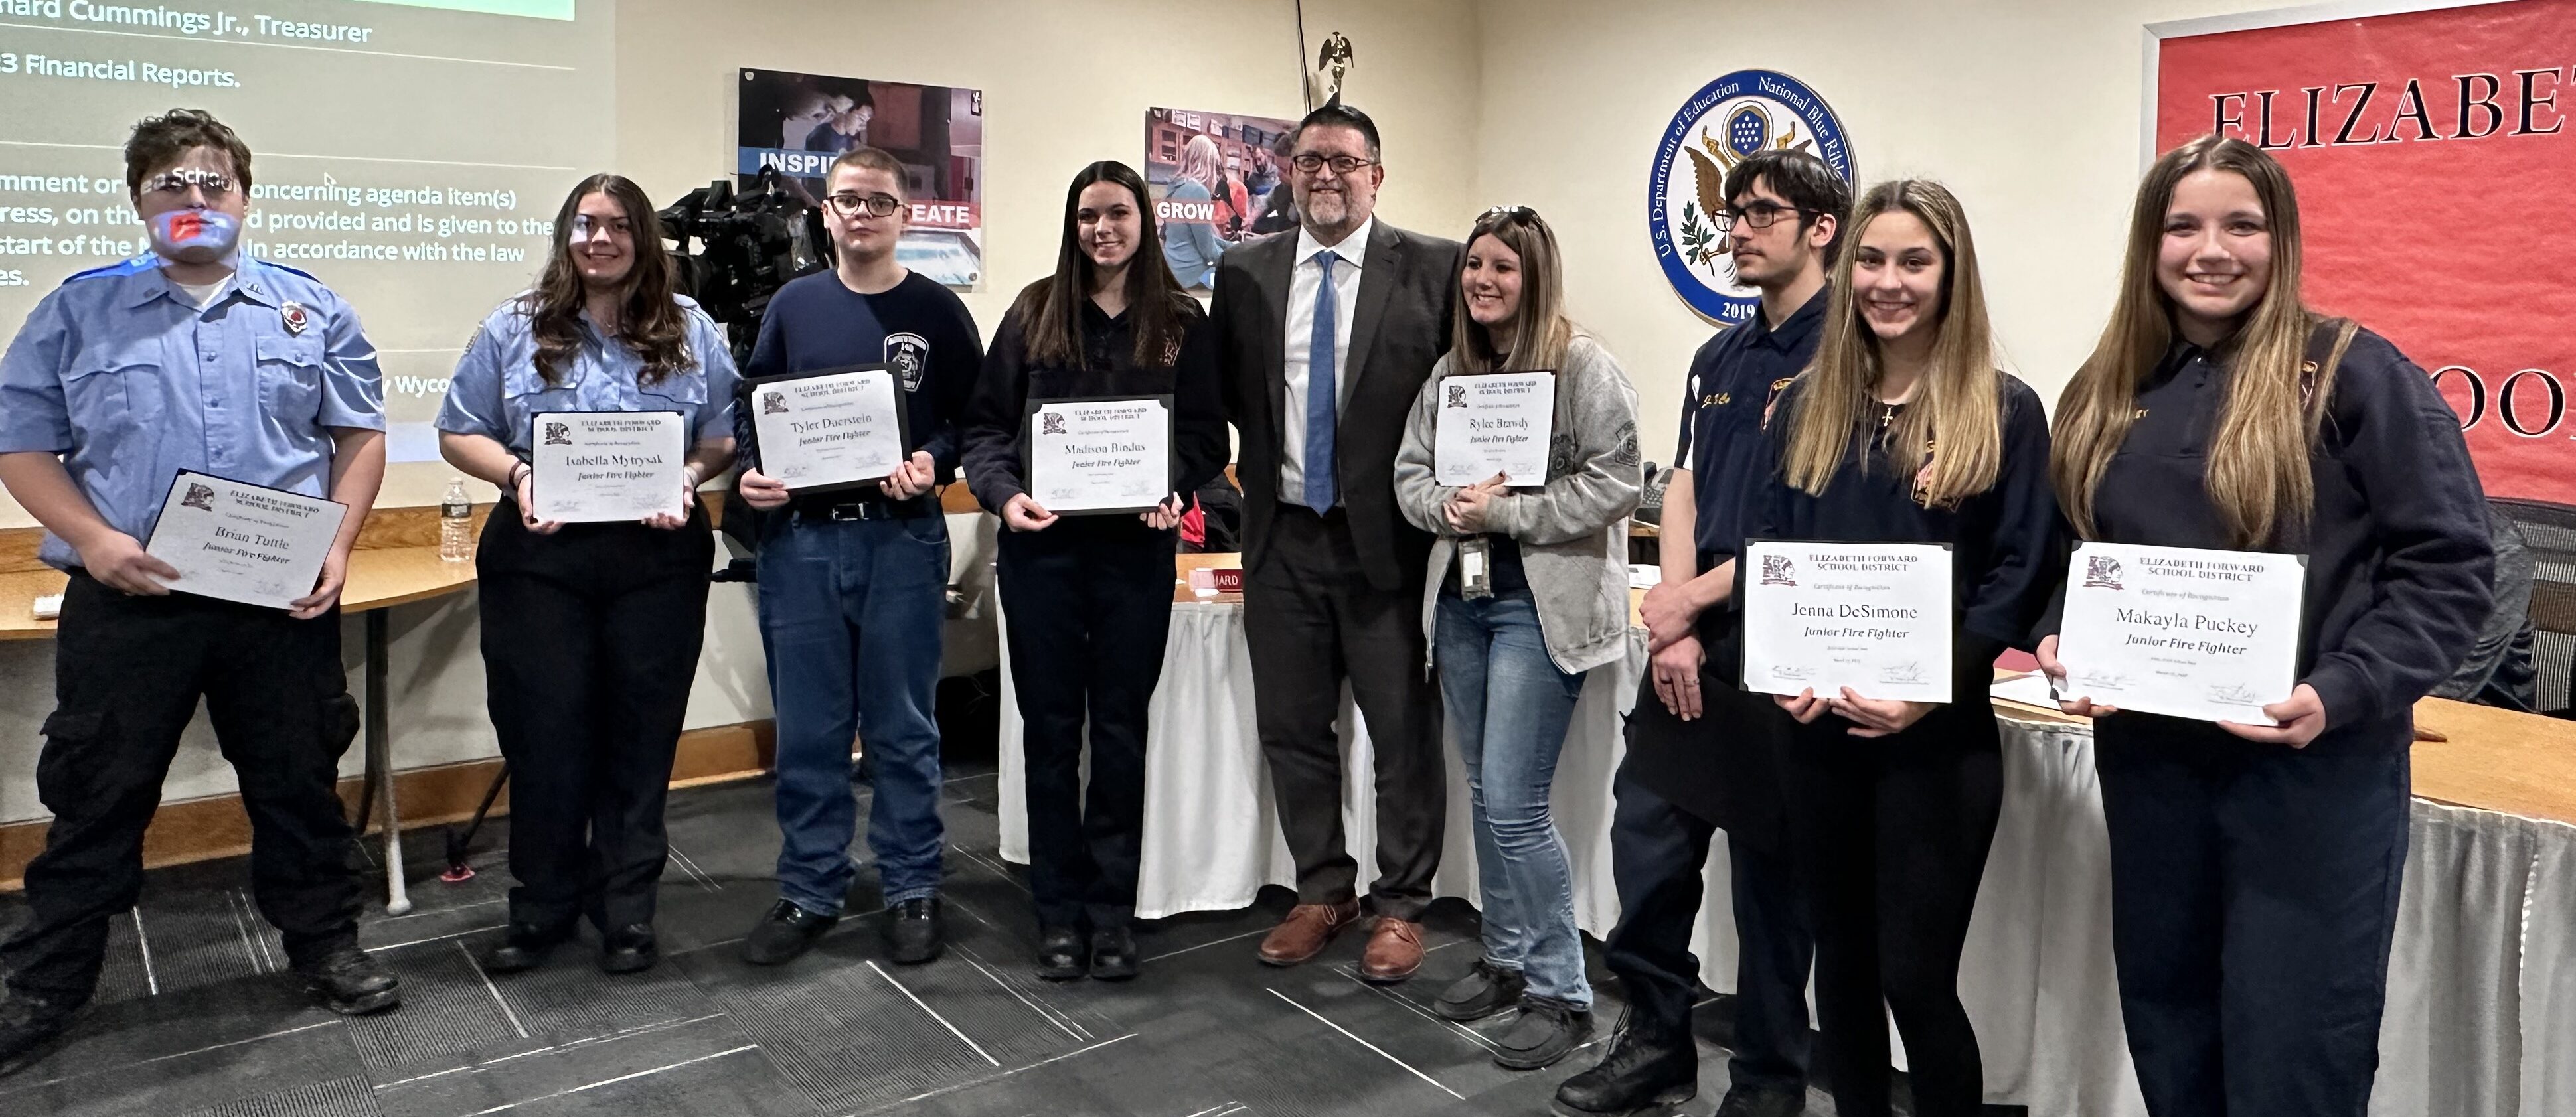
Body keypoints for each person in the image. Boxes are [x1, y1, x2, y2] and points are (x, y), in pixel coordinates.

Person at [2038, 136, 2494, 1117]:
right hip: (2152, 769)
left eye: (2241, 224)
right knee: (2171, 1027)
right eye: (2184, 225)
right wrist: (2057, 637)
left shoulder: (2356, 373)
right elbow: (2073, 555)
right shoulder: (2110, 387)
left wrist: (2342, 690)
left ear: (2279, 238)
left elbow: (2453, 568)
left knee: (2295, 1051)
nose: (2213, 249)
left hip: (2311, 781)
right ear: (2148, 243)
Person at [0, 108, 400, 1073]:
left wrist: (340, 546)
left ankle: (326, 946)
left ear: (244, 196)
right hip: (134, 597)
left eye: (212, 181)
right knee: (97, 793)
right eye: (170, 184)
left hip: (278, 597)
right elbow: (21, 443)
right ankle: (46, 984)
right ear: (138, 199)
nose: (193, 199)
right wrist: (93, 538)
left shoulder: (310, 308)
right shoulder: (77, 310)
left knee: (299, 781)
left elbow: (359, 436)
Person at [1555, 149, 1847, 1117]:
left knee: (1774, 887)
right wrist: (1676, 613)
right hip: (1694, 650)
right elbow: (1678, 483)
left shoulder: (1853, 351)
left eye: (1764, 211)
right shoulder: (1718, 355)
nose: (1739, 228)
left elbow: (1822, 526)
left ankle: (1768, 1077)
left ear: (1822, 228)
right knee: (1647, 849)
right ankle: (1656, 1040)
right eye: (1733, 212)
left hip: (1788, 645)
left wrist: (1695, 601)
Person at [1761, 179, 2059, 1117]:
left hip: (1938, 741)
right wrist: (1785, 676)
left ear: (1952, 273)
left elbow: (2019, 571)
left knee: (1915, 979)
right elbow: (1776, 550)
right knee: (1840, 974)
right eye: (1873, 260)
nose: (1890, 282)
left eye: (1915, 261)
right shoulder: (1807, 404)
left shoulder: (2004, 410)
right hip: (1818, 733)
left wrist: (1932, 690)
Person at [436, 174, 738, 976]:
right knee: (544, 738)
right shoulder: (514, 326)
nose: (598, 240)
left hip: (657, 556)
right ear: (565, 234)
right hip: (541, 558)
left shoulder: (690, 329)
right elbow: (458, 431)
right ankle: (540, 907)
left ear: (643, 237)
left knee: (640, 740)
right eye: (584, 224)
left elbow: (721, 436)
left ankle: (627, 911)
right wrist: (517, 477)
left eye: (616, 226)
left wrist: (688, 476)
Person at [1211, 102, 1463, 983]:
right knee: (1293, 729)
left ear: (1376, 174)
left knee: (1401, 736)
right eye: (1310, 159)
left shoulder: (1434, 268)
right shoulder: (1242, 270)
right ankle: (1322, 888)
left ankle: (1401, 903)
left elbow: (1465, 400)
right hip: (1281, 539)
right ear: (1289, 170)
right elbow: (1226, 399)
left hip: (1385, 548)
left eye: (1344, 162)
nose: (1326, 175)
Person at [962, 161, 1226, 982]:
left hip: (1134, 559)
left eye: (1117, 214)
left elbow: (1208, 437)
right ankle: (1057, 913)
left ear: (1145, 222)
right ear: (1071, 224)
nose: (1101, 229)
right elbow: (984, 430)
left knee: (1118, 733)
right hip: (1042, 554)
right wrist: (1004, 499)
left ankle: (1110, 910)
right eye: (1086, 216)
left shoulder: (1180, 321)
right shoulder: (1035, 313)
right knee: (1049, 734)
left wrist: (1174, 488)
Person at [1391, 206, 1639, 1069]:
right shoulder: (1451, 373)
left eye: (1503, 268)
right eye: (1474, 267)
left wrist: (1508, 512)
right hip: (1462, 599)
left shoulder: (1581, 363)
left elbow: (1617, 480)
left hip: (1541, 605)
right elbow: (1410, 475)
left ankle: (1560, 988)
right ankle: (1503, 955)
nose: (1484, 281)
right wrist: (1449, 508)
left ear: (1535, 278)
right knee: (1484, 788)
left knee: (1514, 799)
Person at [732, 146, 983, 967]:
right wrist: (754, 473)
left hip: (899, 537)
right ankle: (810, 888)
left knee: (904, 727)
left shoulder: (939, 312)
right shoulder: (793, 307)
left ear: (905, 215)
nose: (863, 215)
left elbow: (971, 423)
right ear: (827, 213)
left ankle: (912, 885)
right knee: (810, 728)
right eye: (849, 202)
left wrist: (934, 463)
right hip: (800, 544)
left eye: (880, 202)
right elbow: (755, 407)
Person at [1161, 135, 1232, 289]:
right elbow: (1209, 252)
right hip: (1194, 276)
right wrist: (1239, 257)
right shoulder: (1198, 192)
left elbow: (1200, 237)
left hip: (1174, 271)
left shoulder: (1175, 187)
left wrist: (1232, 246)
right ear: (1209, 162)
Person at [804, 87, 875, 155]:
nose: (864, 127)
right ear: (846, 109)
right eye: (861, 119)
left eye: (866, 121)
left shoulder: (849, 137)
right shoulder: (822, 135)